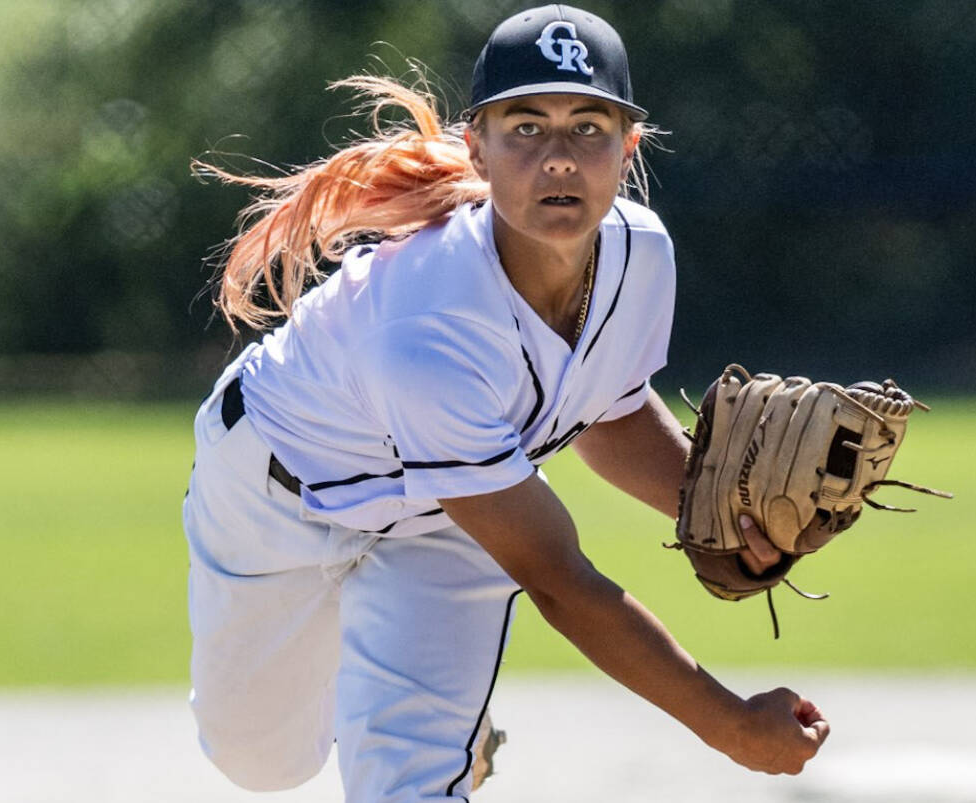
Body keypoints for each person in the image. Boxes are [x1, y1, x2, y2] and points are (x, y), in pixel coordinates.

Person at [183, 5, 829, 800]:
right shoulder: (428, 327)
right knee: (263, 763)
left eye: (588, 126)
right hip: (277, 491)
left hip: (455, 515)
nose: (559, 158)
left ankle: (438, 733)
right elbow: (559, 579)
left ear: (629, 149)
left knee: (411, 783)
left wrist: (722, 513)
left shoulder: (642, 255)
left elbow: (610, 411)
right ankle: (432, 716)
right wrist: (730, 724)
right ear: (476, 148)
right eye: (526, 126)